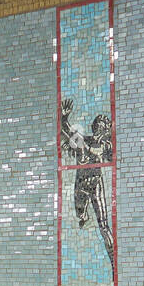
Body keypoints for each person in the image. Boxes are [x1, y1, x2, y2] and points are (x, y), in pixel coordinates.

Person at [59, 98, 115, 274]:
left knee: (104, 226)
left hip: (96, 185)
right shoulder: (84, 141)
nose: (103, 129)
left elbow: (102, 154)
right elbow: (67, 131)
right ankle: (83, 217)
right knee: (80, 213)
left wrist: (85, 146)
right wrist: (64, 118)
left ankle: (114, 263)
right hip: (81, 184)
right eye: (101, 126)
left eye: (105, 127)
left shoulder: (104, 145)